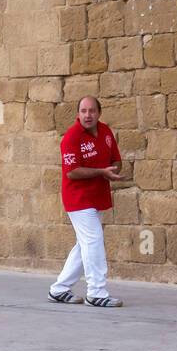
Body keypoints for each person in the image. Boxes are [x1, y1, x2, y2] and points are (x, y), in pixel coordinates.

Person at [49, 95, 125, 307]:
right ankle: (96, 293)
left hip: (97, 196)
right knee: (93, 241)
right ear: (78, 114)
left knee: (85, 244)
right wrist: (102, 171)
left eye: (92, 111)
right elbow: (72, 172)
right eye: (83, 111)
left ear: (99, 113)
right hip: (78, 198)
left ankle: (59, 289)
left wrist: (113, 170)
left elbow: (116, 160)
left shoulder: (106, 132)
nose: (88, 115)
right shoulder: (71, 137)